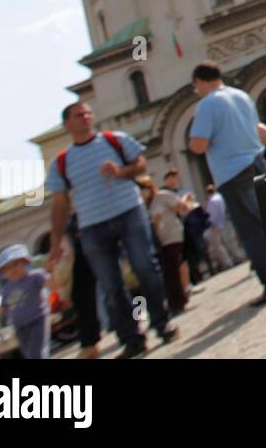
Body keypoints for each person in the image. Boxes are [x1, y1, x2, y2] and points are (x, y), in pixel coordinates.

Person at [46, 102, 177, 358]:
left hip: (129, 212)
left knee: (145, 267)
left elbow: (141, 165)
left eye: (87, 113)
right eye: (78, 115)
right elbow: (60, 204)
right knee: (111, 286)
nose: (85, 117)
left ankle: (163, 323)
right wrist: (55, 243)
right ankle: (132, 339)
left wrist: (121, 171)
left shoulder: (115, 140)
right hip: (92, 226)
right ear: (67, 125)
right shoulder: (61, 162)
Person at [187, 62, 266, 306]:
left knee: (251, 231)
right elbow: (264, 132)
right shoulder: (241, 95)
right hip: (256, 162)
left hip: (232, 172)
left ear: (200, 82)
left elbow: (198, 144)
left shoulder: (207, 104)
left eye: (196, 87)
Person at [138, 174, 188, 315]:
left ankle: (177, 303)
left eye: (142, 189)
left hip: (172, 236)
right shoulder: (145, 204)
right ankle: (175, 301)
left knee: (171, 269)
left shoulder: (162, 196)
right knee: (167, 272)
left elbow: (181, 206)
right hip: (159, 241)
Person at [0, 244, 51, 359]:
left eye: (15, 264)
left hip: (37, 319)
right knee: (28, 354)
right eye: (7, 268)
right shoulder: (8, 288)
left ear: (25, 262)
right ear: (3, 273)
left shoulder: (35, 277)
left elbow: (52, 284)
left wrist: (51, 271)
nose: (12, 270)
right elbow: (5, 307)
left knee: (37, 353)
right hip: (20, 326)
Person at [67, 213, 102, 358]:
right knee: (81, 295)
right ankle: (90, 343)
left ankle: (133, 332)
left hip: (100, 228)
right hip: (80, 242)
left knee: (113, 286)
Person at [203, 184, 235, 271]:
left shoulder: (212, 200)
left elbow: (212, 215)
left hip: (216, 225)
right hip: (224, 222)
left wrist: (211, 223)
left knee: (218, 245)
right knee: (228, 241)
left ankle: (228, 262)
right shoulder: (220, 197)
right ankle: (234, 258)